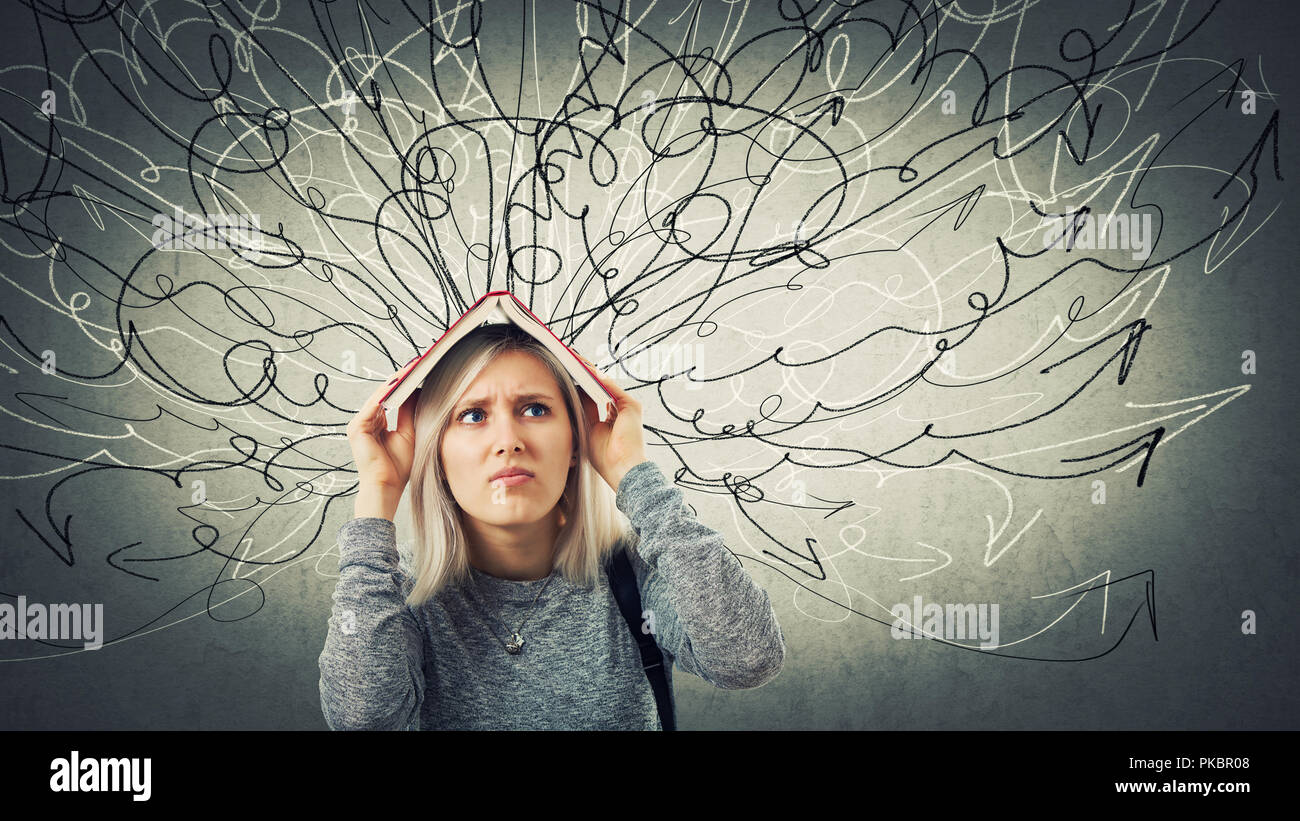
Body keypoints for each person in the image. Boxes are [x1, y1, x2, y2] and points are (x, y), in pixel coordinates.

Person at [318, 322, 785, 730]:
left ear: (576, 442)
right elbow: (363, 718)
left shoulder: (635, 578)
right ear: (436, 455)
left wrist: (635, 476)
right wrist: (376, 496)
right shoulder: (390, 596)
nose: (508, 441)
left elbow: (746, 659)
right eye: (473, 415)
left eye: (535, 409)